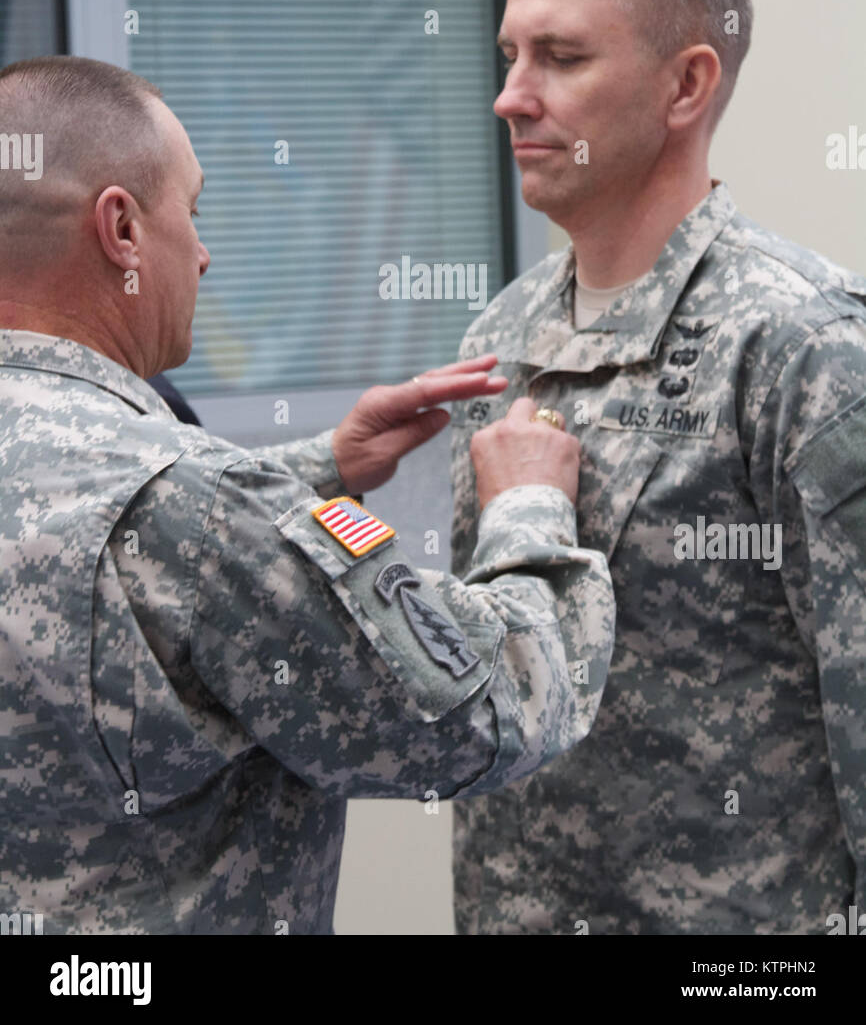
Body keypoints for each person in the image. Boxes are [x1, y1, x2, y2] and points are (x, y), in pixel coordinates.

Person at [0, 55, 615, 935]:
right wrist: (527, 510)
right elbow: (487, 711)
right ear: (122, 230)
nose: (205, 255)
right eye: (194, 210)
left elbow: (91, 529)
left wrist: (322, 466)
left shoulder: (177, 506)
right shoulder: (199, 510)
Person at [449, 0, 866, 935]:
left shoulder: (799, 346)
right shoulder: (498, 334)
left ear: (684, 85)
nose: (510, 97)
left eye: (559, 58)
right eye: (508, 56)